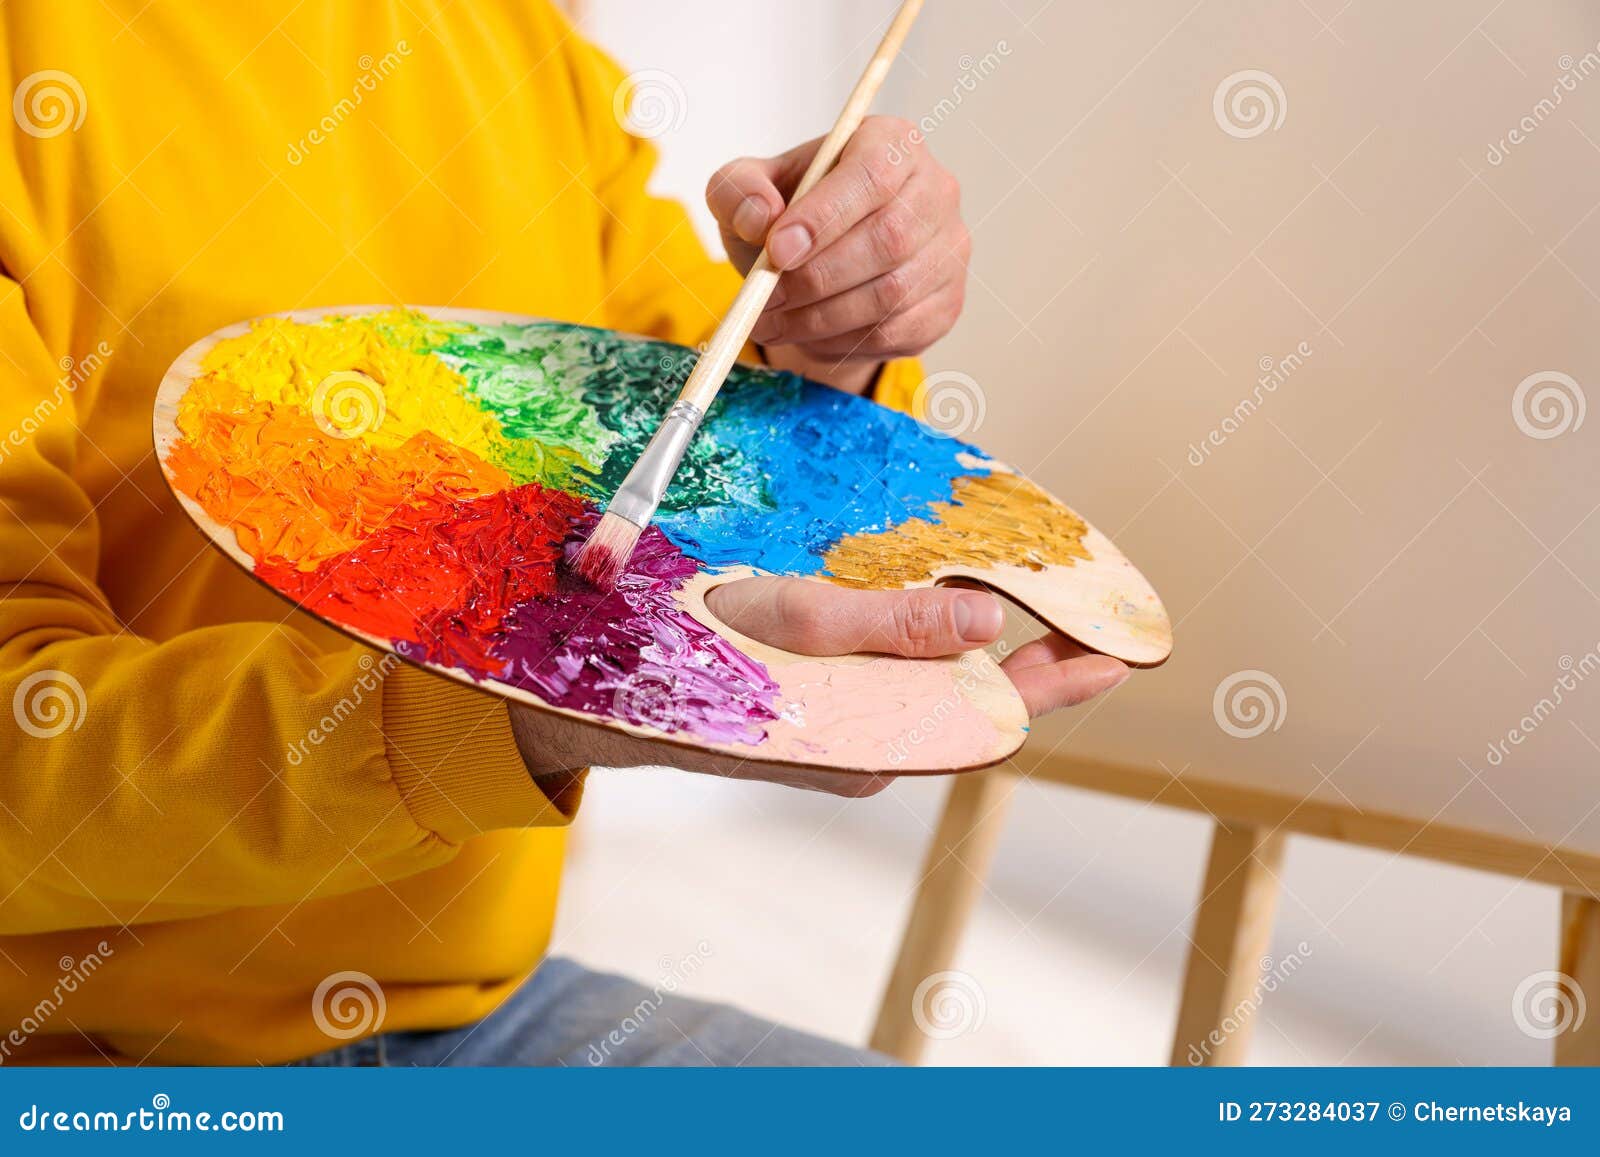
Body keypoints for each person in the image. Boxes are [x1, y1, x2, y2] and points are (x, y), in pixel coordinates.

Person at [0, 2, 1128, 1066]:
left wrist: (829, 345)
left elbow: (707, 462)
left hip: (473, 1020)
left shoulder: (516, 43)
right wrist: (530, 703)